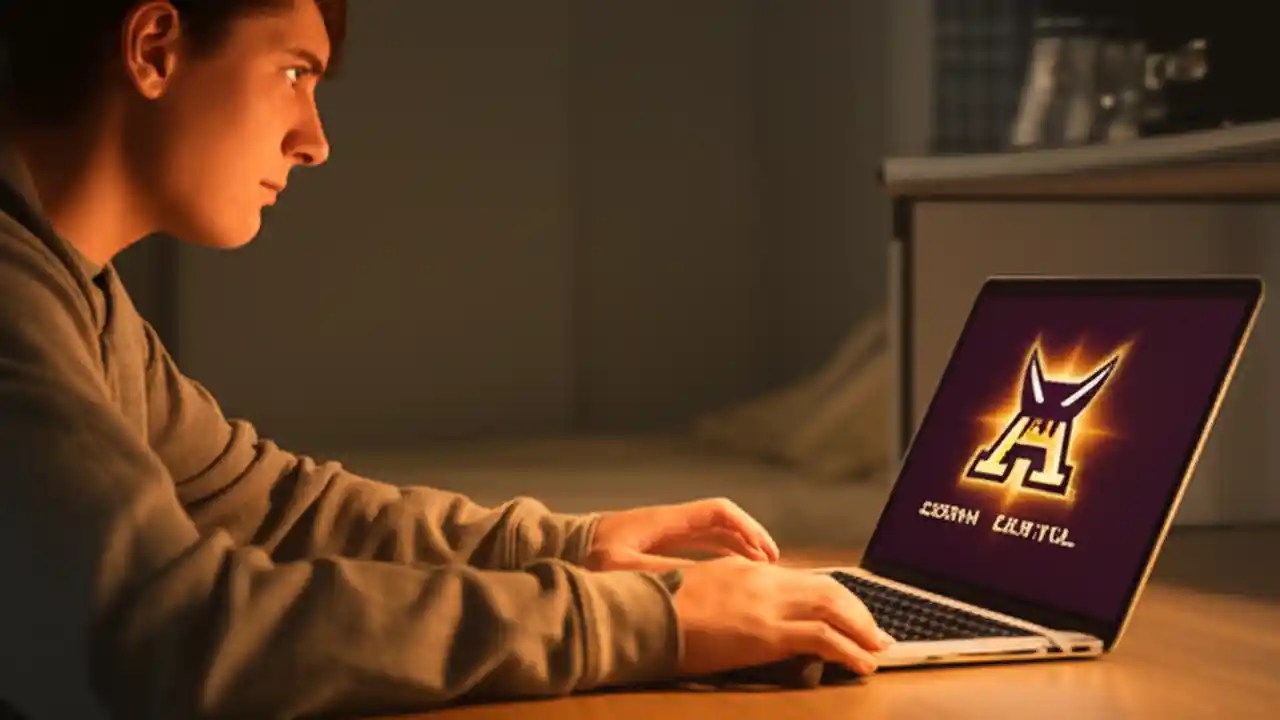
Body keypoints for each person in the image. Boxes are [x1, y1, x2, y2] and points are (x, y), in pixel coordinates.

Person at [0, 1, 892, 717]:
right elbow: (163, 634)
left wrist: (565, 545)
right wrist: (647, 622)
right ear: (155, 47)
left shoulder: (82, 297)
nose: (314, 139)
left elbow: (269, 506)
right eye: (294, 72)